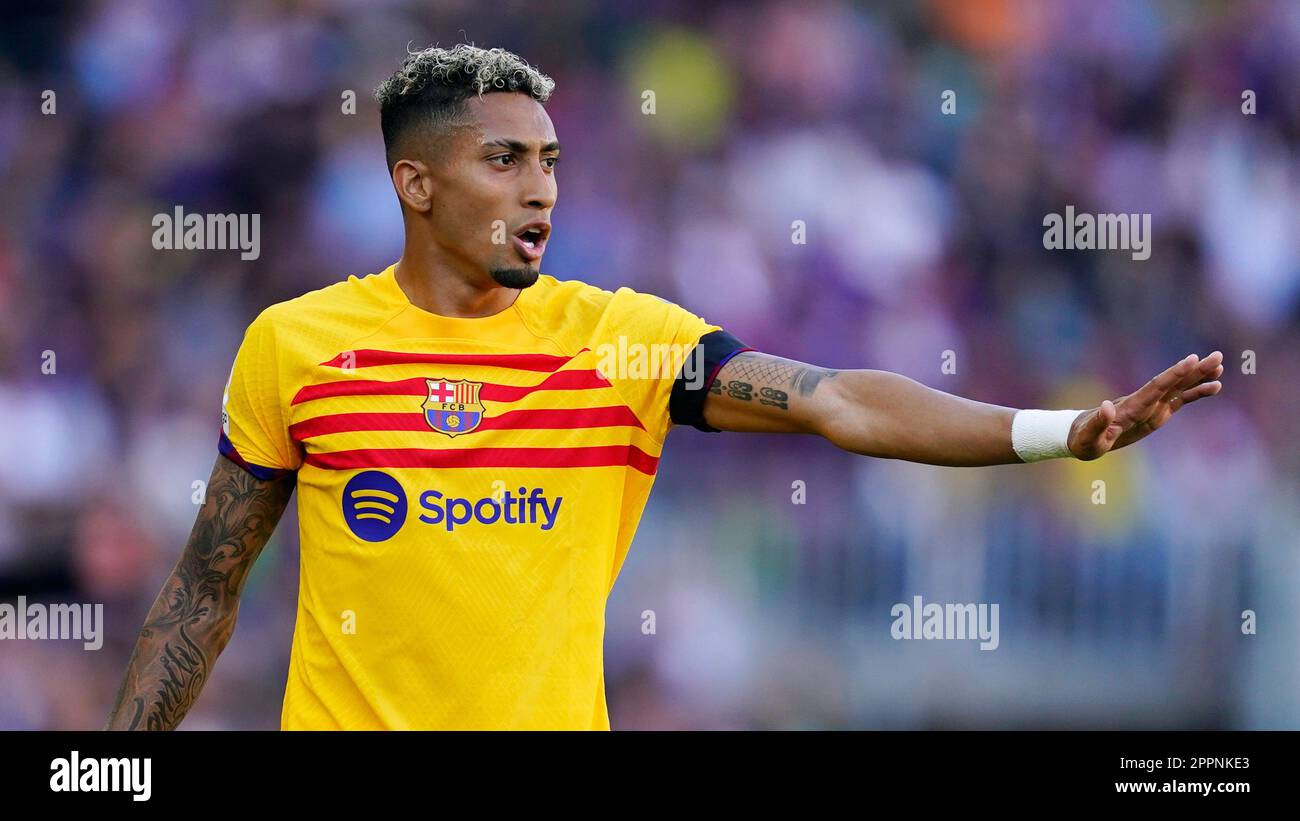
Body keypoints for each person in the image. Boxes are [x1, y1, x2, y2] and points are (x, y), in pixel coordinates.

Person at [106, 44, 1223, 730]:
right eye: (504, 160)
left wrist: (1057, 429)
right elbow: (208, 584)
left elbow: (839, 398)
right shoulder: (296, 346)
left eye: (549, 161)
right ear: (414, 182)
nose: (540, 188)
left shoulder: (622, 342)